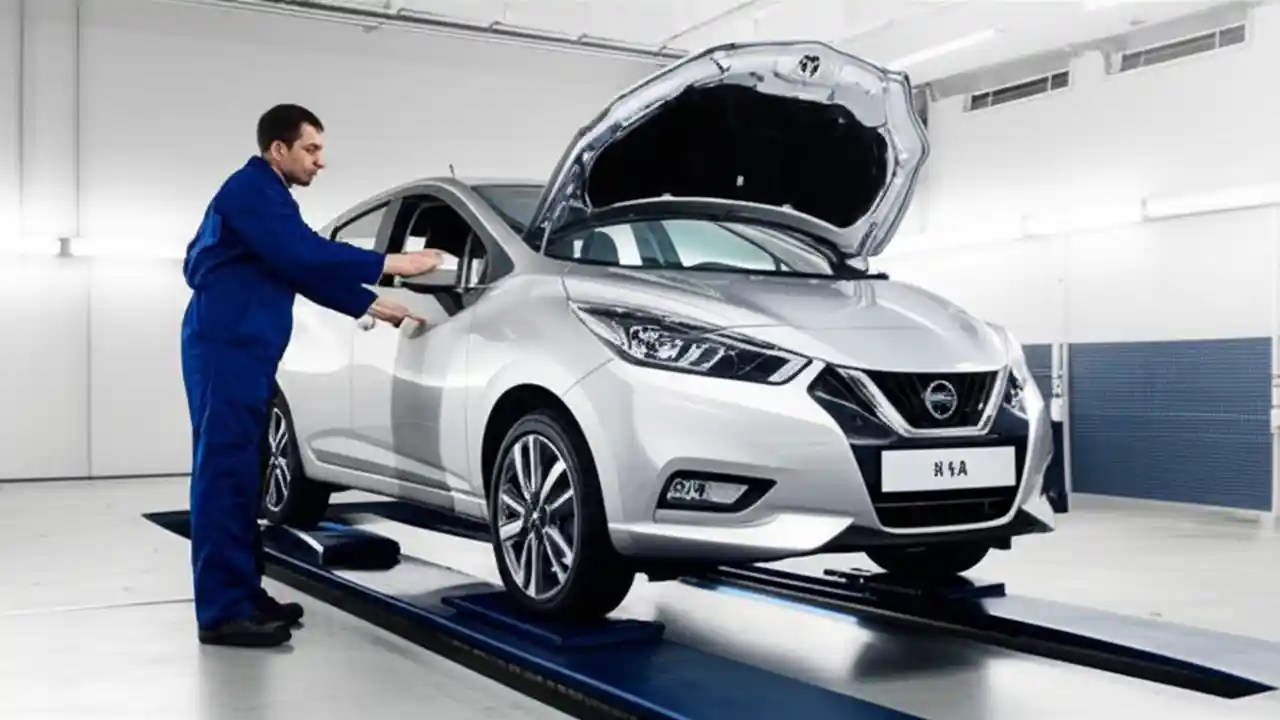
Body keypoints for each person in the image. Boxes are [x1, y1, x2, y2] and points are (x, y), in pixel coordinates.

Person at [180, 104, 440, 647]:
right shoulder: (251, 191)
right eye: (311, 149)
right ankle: (223, 612)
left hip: (243, 349)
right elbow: (304, 253)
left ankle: (244, 594)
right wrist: (395, 263)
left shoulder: (270, 198)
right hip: (226, 347)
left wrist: (370, 305)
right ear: (279, 149)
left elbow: (296, 267)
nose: (321, 162)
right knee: (224, 475)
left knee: (243, 475)